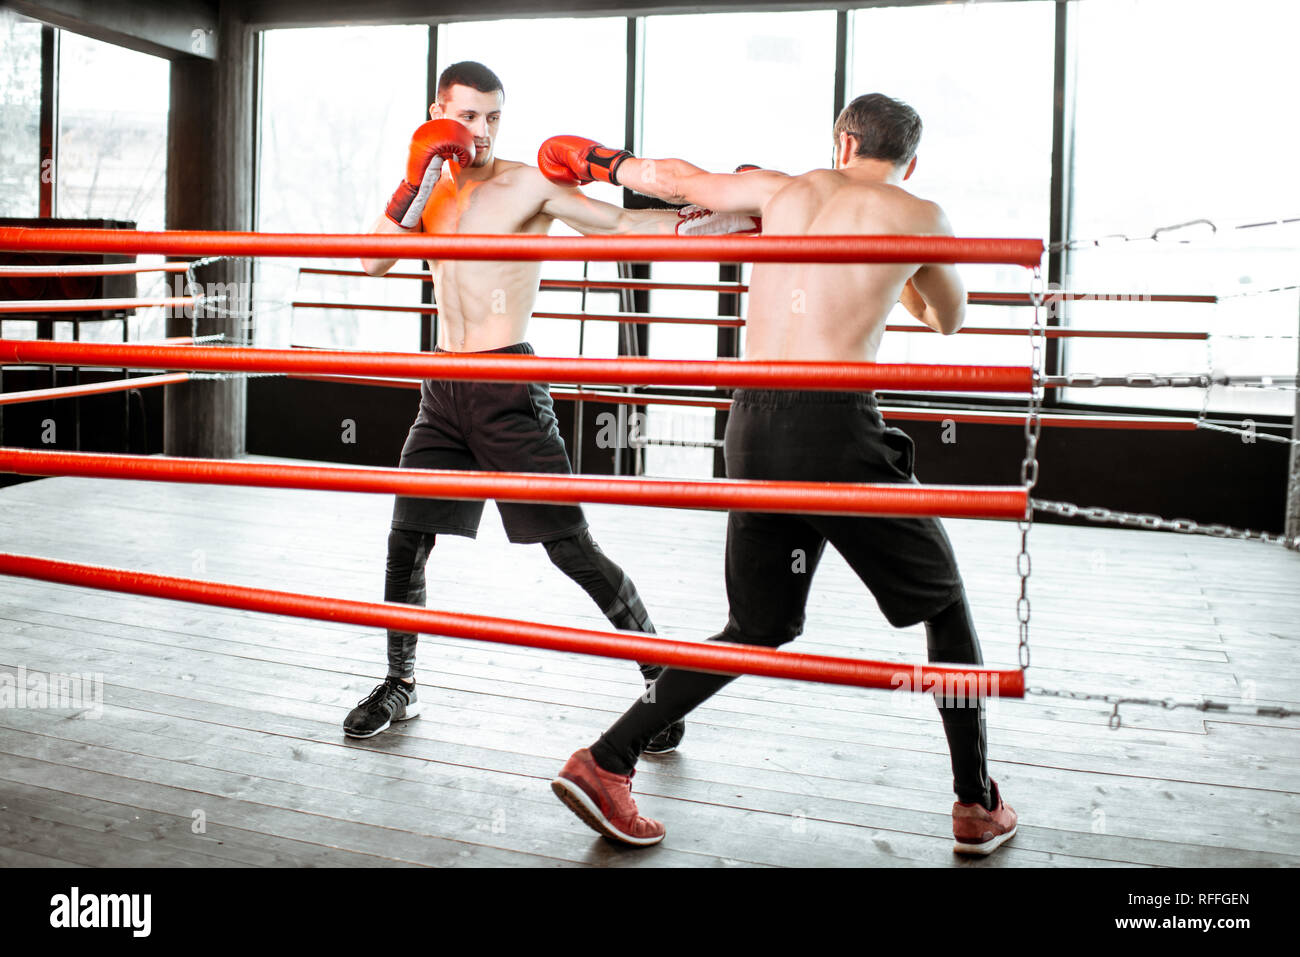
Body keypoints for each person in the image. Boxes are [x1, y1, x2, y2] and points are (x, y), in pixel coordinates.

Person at [539, 92, 1018, 855]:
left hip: (752, 419)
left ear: (842, 143)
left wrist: (606, 163)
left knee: (757, 626)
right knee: (947, 606)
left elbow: (677, 180)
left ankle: (606, 761)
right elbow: (949, 318)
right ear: (909, 161)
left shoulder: (782, 191)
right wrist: (900, 277)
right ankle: (975, 801)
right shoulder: (920, 213)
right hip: (835, 426)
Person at [346, 61, 728, 750]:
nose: (482, 131)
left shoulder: (526, 182)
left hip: (508, 387)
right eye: (468, 116)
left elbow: (614, 225)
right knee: (407, 542)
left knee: (570, 547)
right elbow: (372, 262)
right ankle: (399, 686)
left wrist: (709, 223)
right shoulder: (429, 191)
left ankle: (661, 685)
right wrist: (413, 182)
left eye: (494, 116)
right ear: (438, 112)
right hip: (442, 390)